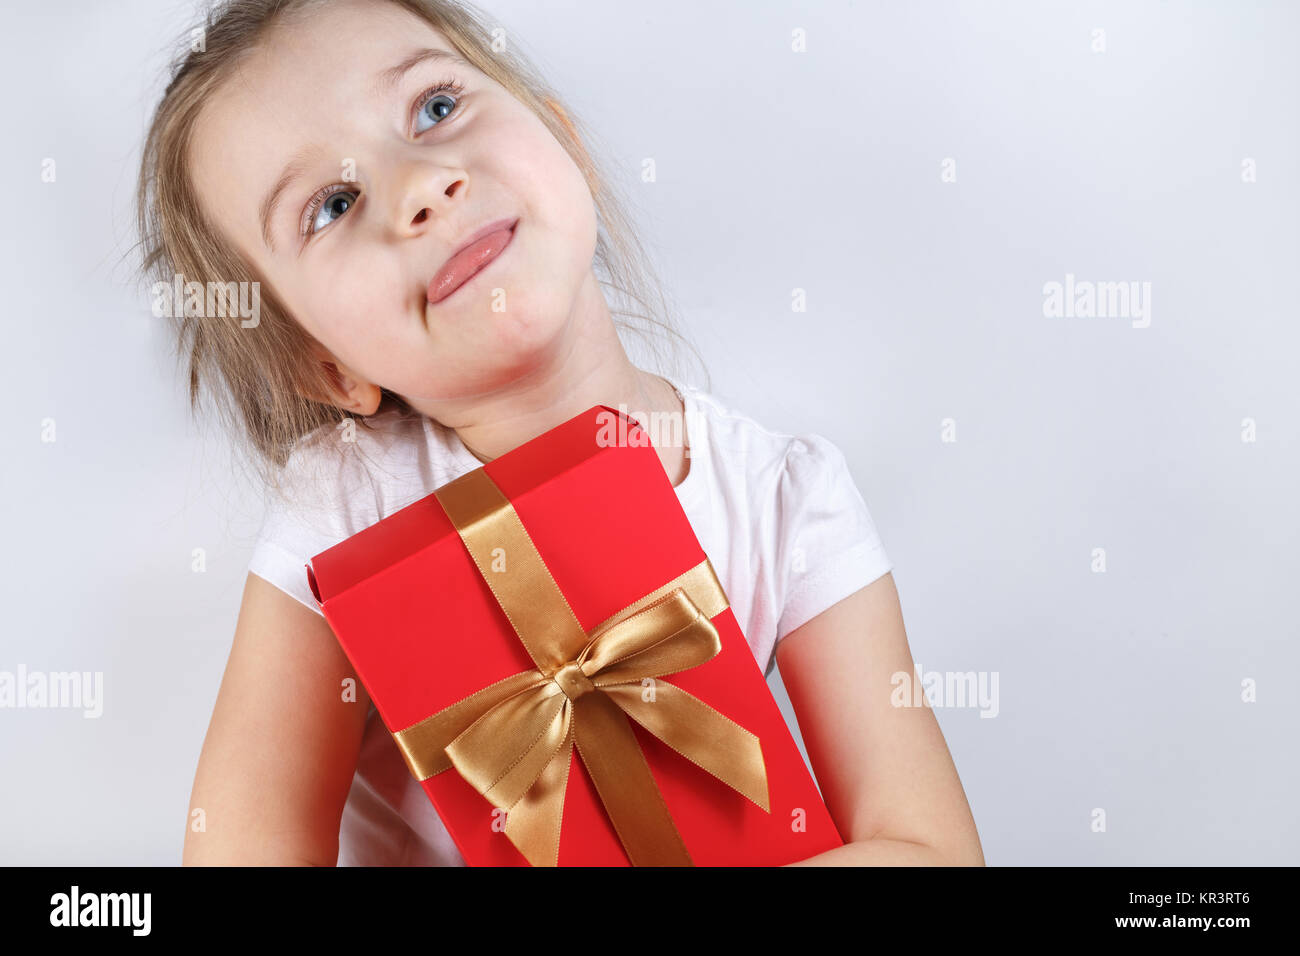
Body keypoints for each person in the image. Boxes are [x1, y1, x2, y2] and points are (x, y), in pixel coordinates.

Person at [135, 0, 984, 866]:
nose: (420, 186)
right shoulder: (342, 511)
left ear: (568, 146)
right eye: (335, 202)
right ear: (328, 370)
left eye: (435, 107)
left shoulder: (788, 503)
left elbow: (932, 851)